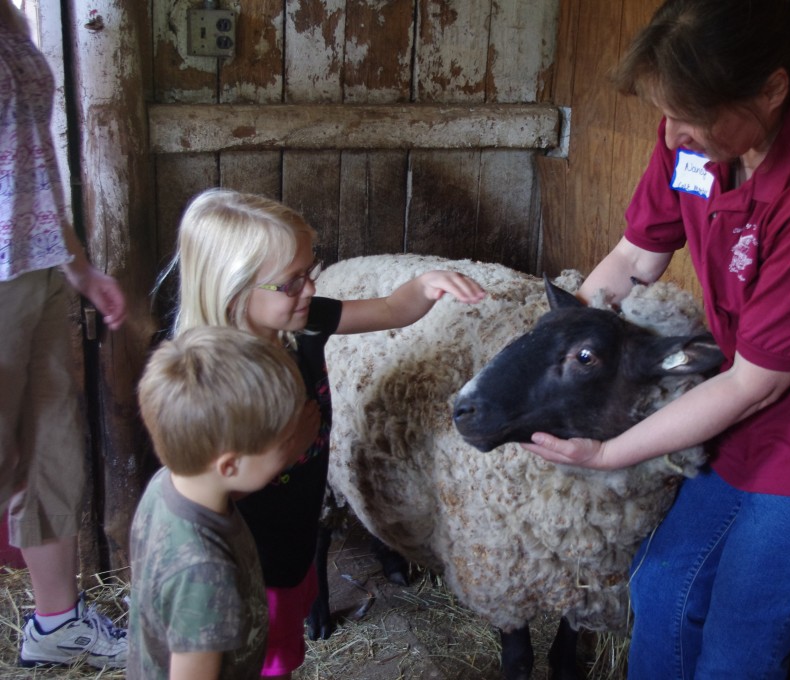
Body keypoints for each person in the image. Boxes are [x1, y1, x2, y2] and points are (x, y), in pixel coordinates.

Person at [523, 0, 790, 678]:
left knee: (737, 645)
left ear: (773, 88)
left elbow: (755, 383)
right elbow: (636, 258)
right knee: (659, 589)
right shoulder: (693, 142)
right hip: (745, 393)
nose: (673, 132)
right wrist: (551, 347)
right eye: (668, 111)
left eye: (691, 115)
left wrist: (607, 453)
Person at [169, 187, 486, 678]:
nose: (310, 288)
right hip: (248, 561)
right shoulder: (211, 381)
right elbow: (204, 488)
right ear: (233, 289)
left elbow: (388, 310)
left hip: (295, 537)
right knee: (257, 658)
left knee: (284, 651)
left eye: (309, 273)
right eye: (291, 282)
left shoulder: (302, 323)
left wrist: (424, 285)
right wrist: (285, 451)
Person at [1, 0, 130, 669]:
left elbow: (34, 154)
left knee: (52, 452)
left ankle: (56, 625)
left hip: (37, 267)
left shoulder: (12, 22)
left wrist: (77, 267)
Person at [129, 326, 308, 680]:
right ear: (229, 465)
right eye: (283, 443)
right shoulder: (205, 575)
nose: (292, 446)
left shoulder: (168, 483)